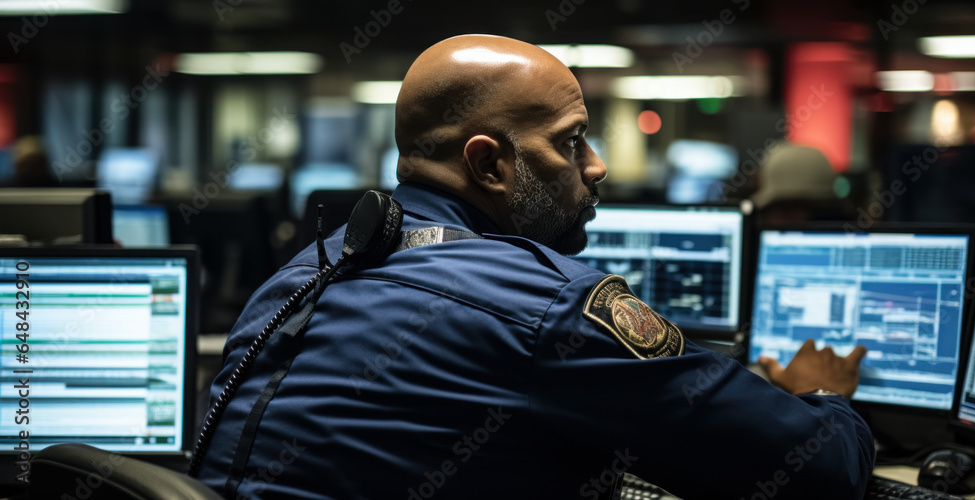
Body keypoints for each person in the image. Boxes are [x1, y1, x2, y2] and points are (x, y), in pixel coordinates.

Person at [195, 34, 874, 499]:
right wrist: (827, 400)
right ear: (488, 164)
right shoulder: (546, 308)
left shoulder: (297, 279)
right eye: (571, 143)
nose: (597, 166)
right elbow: (814, 473)